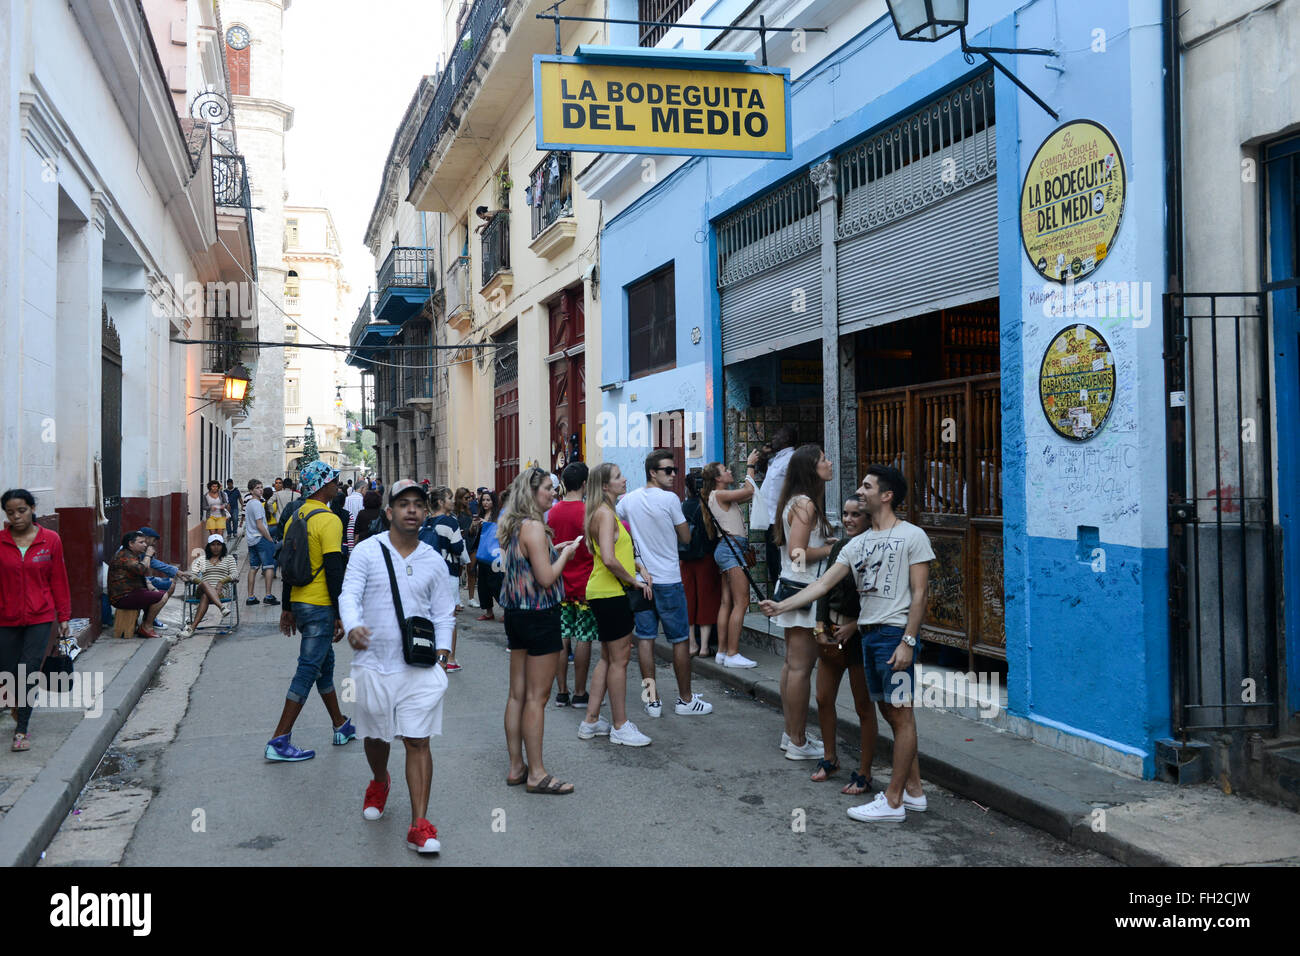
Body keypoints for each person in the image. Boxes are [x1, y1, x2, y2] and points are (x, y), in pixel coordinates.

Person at [761, 465, 933, 822]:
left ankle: (893, 801)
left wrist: (908, 641)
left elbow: (920, 595)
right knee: (891, 713)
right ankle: (914, 792)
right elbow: (822, 585)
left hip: (894, 634)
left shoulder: (912, 536)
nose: (860, 490)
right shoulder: (857, 544)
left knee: (901, 714)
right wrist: (782, 606)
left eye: (867, 486)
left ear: (886, 496)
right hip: (869, 636)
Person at [340, 479, 455, 854]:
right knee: (376, 736)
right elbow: (349, 593)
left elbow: (444, 612)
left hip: (418, 666)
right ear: (390, 512)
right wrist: (353, 625)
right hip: (373, 665)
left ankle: (420, 825)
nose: (411, 510)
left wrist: (442, 655)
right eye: (404, 504)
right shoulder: (367, 551)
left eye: (418, 504)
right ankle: (379, 779)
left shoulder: (433, 560)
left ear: (425, 512)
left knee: (418, 740)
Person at [264, 460, 355, 762]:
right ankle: (279, 739)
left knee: (323, 666)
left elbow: (287, 565)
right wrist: (341, 613)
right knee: (307, 669)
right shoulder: (329, 520)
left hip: (301, 603)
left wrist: (287, 606)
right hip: (320, 606)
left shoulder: (296, 516)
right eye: (333, 481)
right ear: (322, 485)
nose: (337, 485)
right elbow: (334, 570)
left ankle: (340, 725)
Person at [498, 468, 580, 794]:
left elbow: (529, 564)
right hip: (540, 614)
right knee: (537, 697)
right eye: (548, 488)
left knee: (517, 694)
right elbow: (546, 578)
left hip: (516, 614)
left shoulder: (515, 525)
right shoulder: (533, 527)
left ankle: (516, 767)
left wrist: (554, 549)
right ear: (532, 492)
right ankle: (537, 774)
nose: (553, 493)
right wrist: (567, 555)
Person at [617, 450, 712, 718]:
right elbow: (685, 537)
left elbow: (619, 526)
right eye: (668, 470)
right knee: (680, 640)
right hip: (668, 579)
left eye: (674, 470)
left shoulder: (628, 500)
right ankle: (685, 700)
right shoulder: (670, 500)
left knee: (646, 639)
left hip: (641, 581)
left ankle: (652, 700)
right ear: (652, 472)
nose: (673, 475)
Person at [768, 444, 836, 760]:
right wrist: (830, 550)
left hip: (793, 588)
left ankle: (792, 734)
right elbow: (798, 555)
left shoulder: (796, 501)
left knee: (792, 665)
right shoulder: (805, 504)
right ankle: (797, 741)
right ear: (811, 468)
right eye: (823, 459)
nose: (829, 462)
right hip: (803, 589)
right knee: (800, 667)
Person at [577, 463, 651, 747]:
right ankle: (620, 725)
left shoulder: (603, 512)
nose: (624, 479)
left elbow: (614, 553)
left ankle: (591, 720)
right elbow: (608, 558)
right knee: (619, 660)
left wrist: (638, 567)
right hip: (611, 593)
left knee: (608, 658)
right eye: (618, 477)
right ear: (605, 486)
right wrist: (634, 581)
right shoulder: (606, 514)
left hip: (603, 592)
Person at [810, 495, 877, 794]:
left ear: (869, 518)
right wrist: (819, 626)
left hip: (861, 636)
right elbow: (824, 588)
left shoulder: (877, 550)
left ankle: (864, 772)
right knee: (823, 698)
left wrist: (856, 626)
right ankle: (830, 758)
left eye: (856, 515)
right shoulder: (840, 547)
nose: (848, 520)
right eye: (846, 514)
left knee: (863, 707)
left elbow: (879, 600)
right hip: (832, 632)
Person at [0, 489, 71, 751]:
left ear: (32, 509)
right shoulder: (0, 542)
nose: (16, 517)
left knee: (28, 670)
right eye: (10, 513)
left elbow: (58, 579)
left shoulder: (50, 540)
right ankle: (17, 703)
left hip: (40, 616)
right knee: (7, 671)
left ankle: (21, 730)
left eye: (21, 510)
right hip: (5, 616)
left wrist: (64, 616)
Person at [703, 451, 762, 668]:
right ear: (718, 478)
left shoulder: (719, 495)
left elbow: (749, 495)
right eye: (725, 470)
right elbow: (749, 490)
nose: (729, 471)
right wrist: (750, 465)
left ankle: (722, 652)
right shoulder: (719, 494)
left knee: (727, 602)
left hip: (727, 549)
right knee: (741, 602)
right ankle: (733, 653)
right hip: (732, 550)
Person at [546, 463, 595, 708]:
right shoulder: (588, 512)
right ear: (585, 483)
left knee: (562, 636)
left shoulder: (553, 512)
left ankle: (562, 692)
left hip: (559, 583)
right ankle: (580, 692)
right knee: (584, 637)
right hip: (585, 583)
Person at [419, 487, 466, 671]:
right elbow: (458, 548)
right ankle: (449, 658)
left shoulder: (427, 521)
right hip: (447, 572)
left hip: (429, 573)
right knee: (448, 617)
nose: (452, 501)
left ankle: (431, 653)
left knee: (431, 615)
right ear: (440, 502)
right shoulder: (451, 522)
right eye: (449, 498)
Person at [679, 468, 722, 659]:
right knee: (707, 600)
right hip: (706, 558)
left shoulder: (682, 506)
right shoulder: (708, 505)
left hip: (686, 559)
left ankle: (691, 644)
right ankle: (704, 647)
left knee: (689, 599)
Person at [107, 532, 170, 639]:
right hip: (122, 597)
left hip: (132, 592)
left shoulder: (131, 554)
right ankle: (146, 627)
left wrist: (150, 586)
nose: (145, 545)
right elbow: (141, 569)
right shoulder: (124, 556)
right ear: (131, 544)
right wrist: (148, 555)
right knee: (162, 596)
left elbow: (139, 574)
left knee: (159, 593)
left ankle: (145, 625)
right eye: (141, 542)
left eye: (145, 542)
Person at [754, 425, 798, 577]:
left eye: (776, 435)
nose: (772, 438)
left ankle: (793, 587)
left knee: (786, 562)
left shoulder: (792, 458)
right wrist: (764, 454)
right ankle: (778, 589)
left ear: (786, 439)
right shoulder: (776, 459)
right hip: (771, 520)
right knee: (773, 563)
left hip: (783, 520)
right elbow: (761, 469)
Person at [179, 534, 237, 639]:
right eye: (213, 545)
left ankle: (191, 628)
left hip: (220, 591)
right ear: (209, 546)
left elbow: (235, 574)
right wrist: (201, 582)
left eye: (218, 544)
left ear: (223, 546)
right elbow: (193, 575)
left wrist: (222, 582)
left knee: (206, 596)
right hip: (201, 589)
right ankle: (222, 607)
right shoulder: (202, 559)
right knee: (205, 584)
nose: (216, 547)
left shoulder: (229, 558)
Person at [136, 526, 187, 631]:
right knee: (159, 594)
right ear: (146, 538)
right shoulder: (134, 549)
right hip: (132, 583)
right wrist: (148, 556)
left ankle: (150, 617)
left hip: (140, 580)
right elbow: (140, 570)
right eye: (153, 540)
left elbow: (155, 564)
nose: (154, 544)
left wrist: (177, 572)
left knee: (170, 583)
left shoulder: (144, 549)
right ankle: (148, 622)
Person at [243, 480, 278, 606]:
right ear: (251, 490)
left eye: (261, 487)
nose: (261, 490)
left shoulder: (249, 504)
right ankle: (268, 595)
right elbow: (259, 525)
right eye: (257, 488)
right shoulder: (257, 504)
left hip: (251, 540)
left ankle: (250, 597)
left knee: (253, 567)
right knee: (269, 566)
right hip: (261, 538)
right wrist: (269, 538)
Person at [474, 490, 503, 621]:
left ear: (493, 502)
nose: (485, 503)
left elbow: (501, 531)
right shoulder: (480, 515)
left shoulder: (498, 516)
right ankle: (488, 612)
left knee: (496, 583)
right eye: (483, 500)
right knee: (483, 585)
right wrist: (474, 526)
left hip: (494, 555)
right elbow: (472, 534)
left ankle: (506, 610)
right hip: (482, 554)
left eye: (488, 500)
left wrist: (486, 524)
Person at [453, 488, 477, 606]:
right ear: (459, 498)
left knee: (472, 570)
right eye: (466, 498)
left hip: (471, 542)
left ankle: (471, 598)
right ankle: (457, 599)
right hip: (460, 543)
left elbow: (471, 530)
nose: (469, 500)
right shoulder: (454, 512)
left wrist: (473, 527)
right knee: (458, 572)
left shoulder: (469, 510)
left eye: (469, 498)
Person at [224, 478, 241, 543]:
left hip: (235, 508)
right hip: (227, 509)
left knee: (235, 520)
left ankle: (234, 532)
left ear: (232, 483)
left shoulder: (236, 491)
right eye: (228, 484)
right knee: (227, 521)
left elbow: (240, 498)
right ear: (227, 484)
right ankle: (229, 533)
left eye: (230, 484)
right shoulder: (225, 491)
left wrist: (243, 505)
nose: (229, 485)